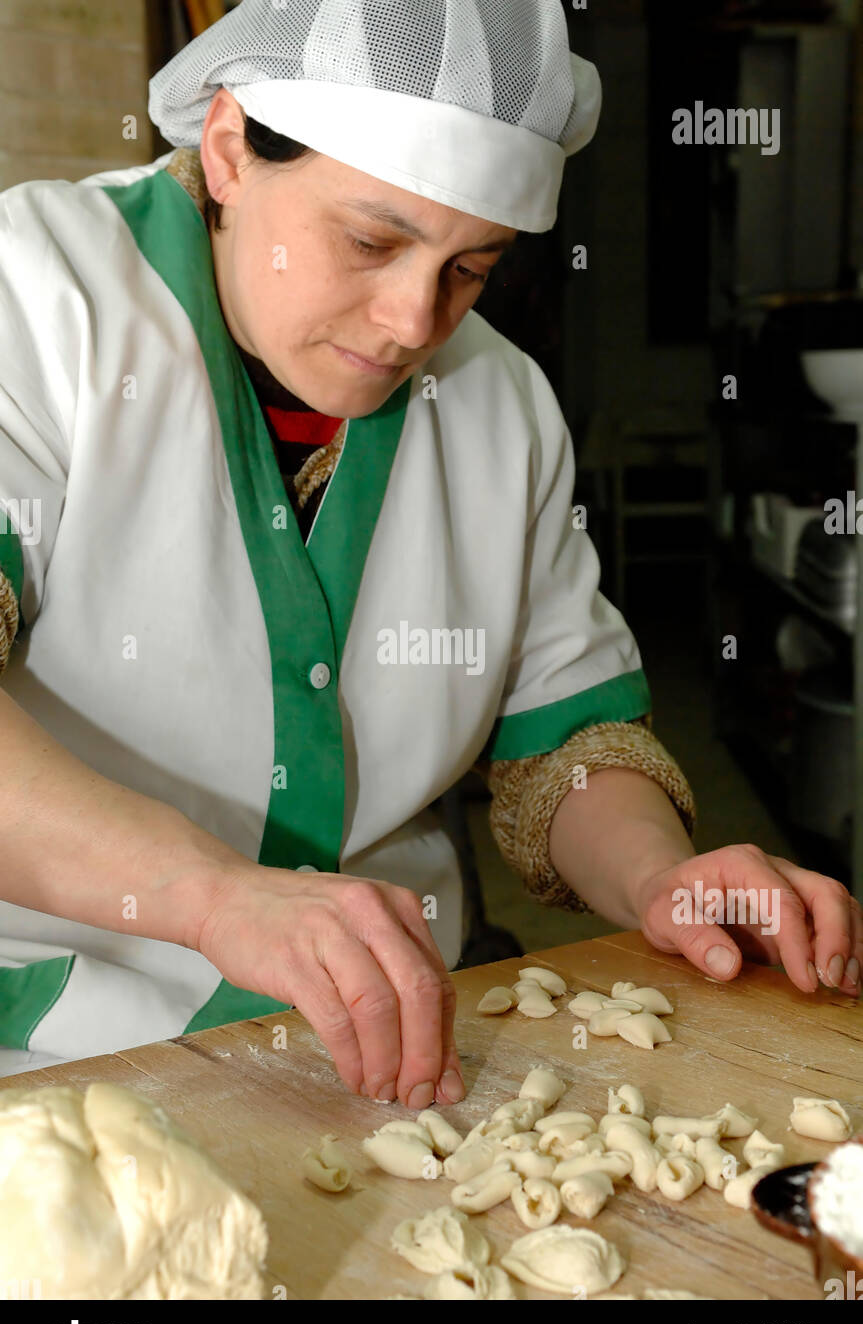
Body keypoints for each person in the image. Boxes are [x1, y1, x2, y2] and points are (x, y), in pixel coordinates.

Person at [0, 0, 859, 1103]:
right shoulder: (40, 296)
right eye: (370, 240)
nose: (413, 322)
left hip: (402, 1058)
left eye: (471, 268)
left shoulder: (499, 401)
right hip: (63, 1053)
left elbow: (565, 737)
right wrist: (212, 894)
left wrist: (665, 877)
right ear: (226, 150)